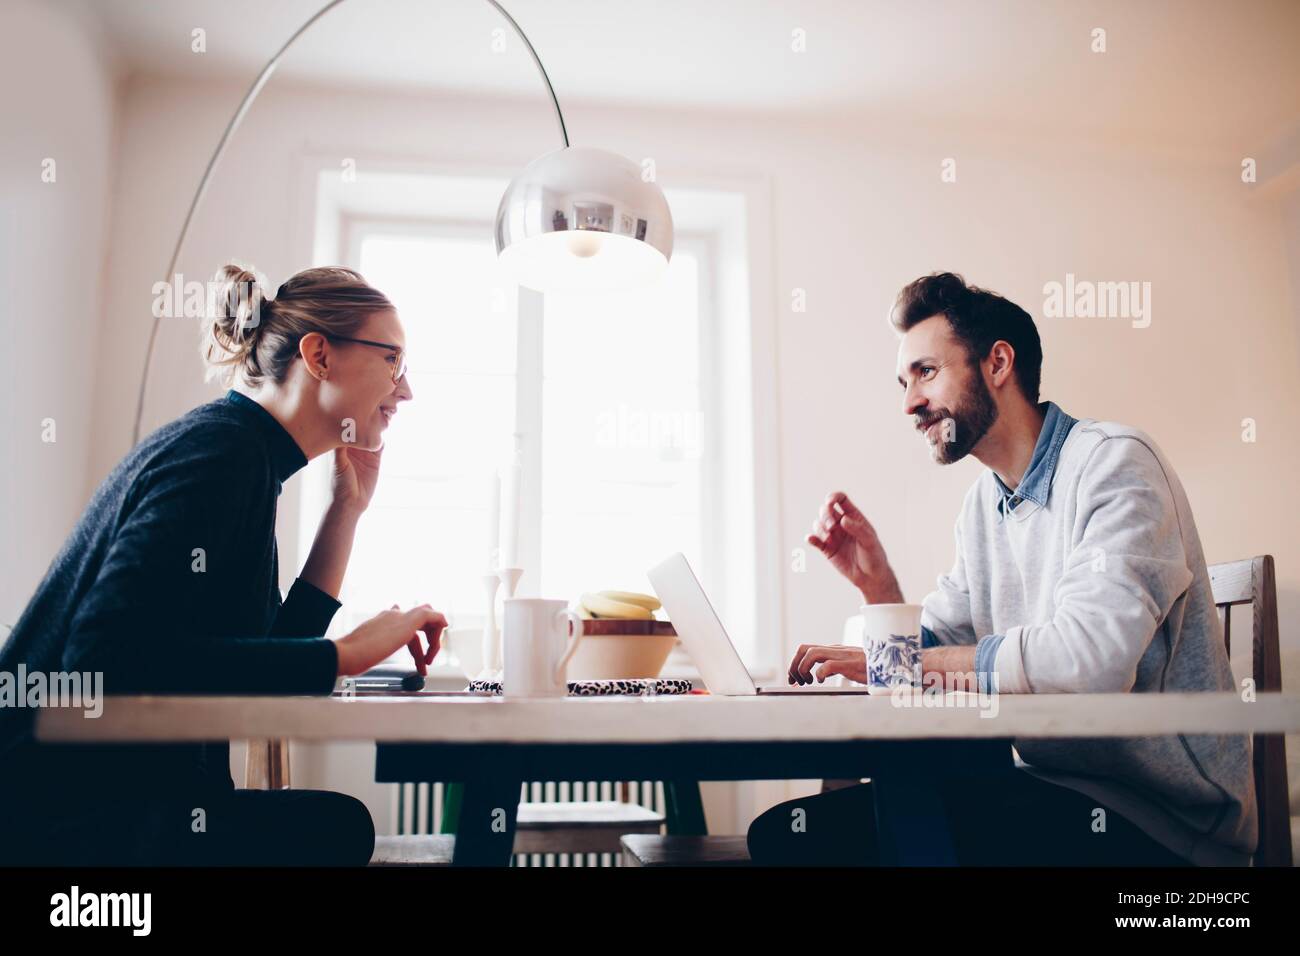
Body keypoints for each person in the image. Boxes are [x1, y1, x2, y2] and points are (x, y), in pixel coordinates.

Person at [750, 272, 1257, 867]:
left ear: (997, 363)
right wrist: (879, 589)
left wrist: (912, 662)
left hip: (1162, 822)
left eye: (927, 372)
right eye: (904, 380)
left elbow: (1089, 661)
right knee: (797, 833)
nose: (909, 402)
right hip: (1052, 788)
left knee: (849, 828)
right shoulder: (985, 504)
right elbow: (939, 646)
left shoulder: (1116, 464)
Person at [0, 264, 446, 866]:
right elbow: (104, 658)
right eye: (392, 361)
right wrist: (345, 655)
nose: (406, 391)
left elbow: (267, 664)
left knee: (335, 827)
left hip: (116, 805)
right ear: (318, 355)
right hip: (66, 819)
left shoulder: (246, 455)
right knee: (336, 828)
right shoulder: (222, 455)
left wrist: (347, 509)